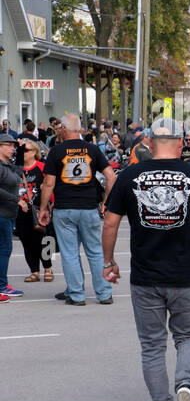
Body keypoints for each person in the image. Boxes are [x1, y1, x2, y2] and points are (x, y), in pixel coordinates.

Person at [102, 124, 190, 401]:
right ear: (181, 144)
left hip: (145, 276)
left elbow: (110, 223)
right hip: (186, 274)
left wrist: (109, 261)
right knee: (188, 336)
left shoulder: (130, 175)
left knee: (153, 345)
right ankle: (186, 385)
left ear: (149, 143)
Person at [37, 113, 116, 306]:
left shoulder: (56, 151)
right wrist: (106, 201)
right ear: (79, 129)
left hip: (65, 208)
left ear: (63, 129)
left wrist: (43, 208)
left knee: (70, 253)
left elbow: (48, 183)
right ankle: (104, 293)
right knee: (96, 252)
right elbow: (111, 177)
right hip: (89, 207)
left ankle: (77, 294)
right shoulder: (92, 149)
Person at [14, 139, 54, 283]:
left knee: (45, 239)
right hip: (22, 211)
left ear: (34, 153)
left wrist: (49, 206)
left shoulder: (42, 167)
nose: (23, 153)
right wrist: (18, 201)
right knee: (27, 241)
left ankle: (48, 268)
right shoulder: (17, 169)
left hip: (40, 209)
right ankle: (34, 271)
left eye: (26, 150)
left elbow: (51, 186)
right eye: (21, 150)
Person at [0, 134, 21, 299]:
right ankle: (1, 285)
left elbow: (20, 170)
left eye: (14, 145)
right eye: (9, 145)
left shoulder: (8, 165)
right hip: (2, 214)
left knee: (4, 249)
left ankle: (2, 283)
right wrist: (16, 200)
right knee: (5, 249)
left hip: (9, 213)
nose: (13, 148)